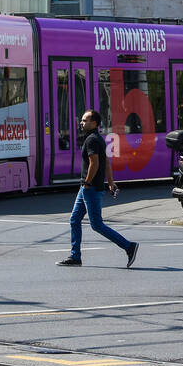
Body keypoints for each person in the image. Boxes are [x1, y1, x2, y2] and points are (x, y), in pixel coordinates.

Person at [57, 110, 139, 268]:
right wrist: (110, 182)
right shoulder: (97, 139)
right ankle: (75, 257)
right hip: (87, 188)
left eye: (85, 120)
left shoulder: (92, 140)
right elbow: (106, 162)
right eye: (81, 120)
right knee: (74, 220)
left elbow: (95, 163)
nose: (81, 123)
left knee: (97, 225)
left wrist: (87, 183)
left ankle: (129, 247)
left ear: (94, 123)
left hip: (90, 188)